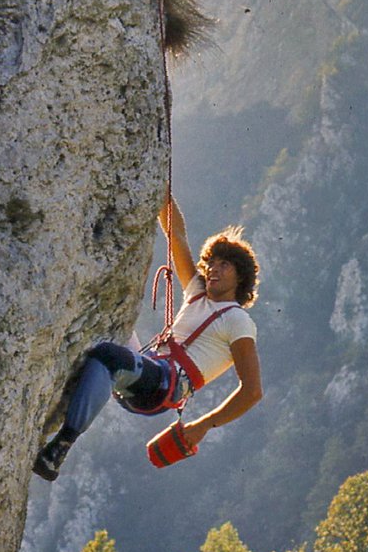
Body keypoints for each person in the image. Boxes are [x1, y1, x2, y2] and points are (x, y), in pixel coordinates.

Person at [32, 196, 263, 481]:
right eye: (211, 263)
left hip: (163, 386)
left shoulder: (238, 320)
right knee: (103, 317)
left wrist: (203, 425)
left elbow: (252, 390)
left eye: (224, 264)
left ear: (240, 277)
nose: (213, 269)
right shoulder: (197, 292)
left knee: (109, 356)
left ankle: (60, 447)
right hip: (147, 370)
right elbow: (175, 234)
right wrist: (162, 187)